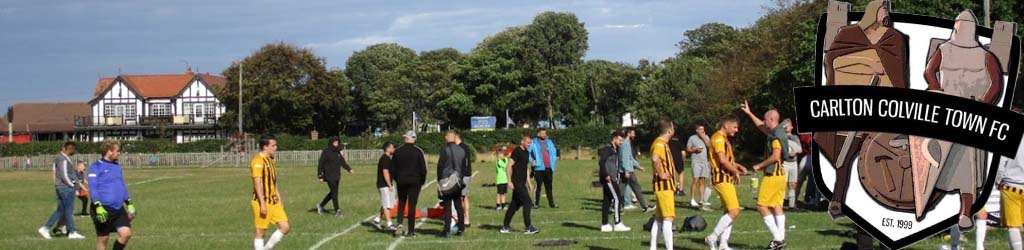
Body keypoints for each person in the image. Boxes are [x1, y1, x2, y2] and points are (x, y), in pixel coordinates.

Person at [705, 117, 749, 250]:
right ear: (726, 125)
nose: (737, 130)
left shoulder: (724, 139)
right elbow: (722, 160)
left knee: (729, 211)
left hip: (725, 177)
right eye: (734, 127)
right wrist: (735, 171)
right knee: (735, 211)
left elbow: (726, 160)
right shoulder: (718, 138)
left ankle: (723, 244)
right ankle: (712, 237)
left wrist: (737, 165)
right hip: (721, 178)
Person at [88, 141, 136, 250]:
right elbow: (93, 187)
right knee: (103, 239)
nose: (119, 153)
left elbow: (122, 185)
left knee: (126, 233)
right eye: (117, 151)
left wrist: (129, 203)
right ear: (109, 151)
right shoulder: (96, 167)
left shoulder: (117, 166)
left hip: (118, 208)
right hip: (102, 208)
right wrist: (98, 206)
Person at [37, 141, 86, 240]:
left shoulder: (64, 158)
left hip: (62, 187)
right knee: (68, 210)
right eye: (71, 148)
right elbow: (64, 175)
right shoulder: (62, 159)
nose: (72, 150)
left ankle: (46, 228)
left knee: (61, 210)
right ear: (64, 148)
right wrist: (72, 185)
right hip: (65, 188)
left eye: (73, 148)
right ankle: (71, 232)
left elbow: (70, 174)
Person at [251, 135, 289, 250]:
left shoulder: (272, 160)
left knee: (285, 227)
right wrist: (262, 203)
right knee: (261, 232)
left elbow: (273, 181)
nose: (275, 148)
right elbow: (257, 184)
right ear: (265, 147)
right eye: (273, 145)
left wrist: (279, 198)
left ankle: (266, 248)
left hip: (274, 201)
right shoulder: (257, 161)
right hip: (262, 201)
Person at [500, 134, 539, 235]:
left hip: (522, 182)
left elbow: (525, 168)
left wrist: (529, 183)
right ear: (522, 142)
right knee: (527, 202)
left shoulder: (526, 152)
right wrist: (509, 181)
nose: (529, 144)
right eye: (528, 142)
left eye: (530, 143)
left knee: (514, 205)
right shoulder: (517, 151)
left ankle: (505, 227)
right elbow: (508, 166)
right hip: (516, 182)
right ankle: (528, 227)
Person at [649, 120, 679, 250]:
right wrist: (661, 173)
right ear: (669, 131)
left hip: (663, 186)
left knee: (659, 219)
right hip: (664, 185)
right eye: (673, 128)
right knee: (668, 218)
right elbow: (655, 158)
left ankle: (653, 247)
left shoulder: (661, 143)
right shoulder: (660, 143)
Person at [393, 131, 427, 238]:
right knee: (412, 206)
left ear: (406, 138)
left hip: (401, 180)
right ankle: (411, 230)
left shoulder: (397, 151)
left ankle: (399, 223)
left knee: (401, 203)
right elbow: (423, 169)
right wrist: (422, 181)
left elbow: (392, 168)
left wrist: (397, 179)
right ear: (414, 139)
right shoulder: (418, 151)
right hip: (414, 181)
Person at [437, 130, 467, 238]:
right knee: (459, 205)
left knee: (448, 206)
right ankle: (461, 228)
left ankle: (447, 230)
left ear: (447, 137)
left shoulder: (444, 148)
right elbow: (464, 166)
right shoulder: (461, 150)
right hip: (458, 179)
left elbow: (441, 165)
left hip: (447, 179)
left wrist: (439, 180)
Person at [600, 129, 631, 232]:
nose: (621, 143)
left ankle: (604, 225)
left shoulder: (614, 149)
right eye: (620, 140)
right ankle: (617, 223)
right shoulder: (608, 149)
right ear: (615, 139)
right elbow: (602, 162)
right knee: (617, 199)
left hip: (613, 177)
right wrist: (606, 174)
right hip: (608, 178)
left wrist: (617, 175)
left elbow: (614, 164)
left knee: (607, 201)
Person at [316, 136, 353, 217]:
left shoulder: (338, 152)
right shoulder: (326, 152)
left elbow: (342, 162)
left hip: (337, 175)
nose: (336, 144)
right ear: (331, 143)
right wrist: (320, 176)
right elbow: (320, 164)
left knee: (333, 193)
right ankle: (337, 211)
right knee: (334, 193)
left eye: (337, 142)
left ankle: (321, 205)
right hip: (329, 175)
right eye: (334, 142)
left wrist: (349, 169)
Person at [619, 127, 652, 212]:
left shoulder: (625, 143)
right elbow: (625, 159)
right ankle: (645, 207)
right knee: (637, 188)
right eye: (633, 133)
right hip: (628, 171)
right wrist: (626, 171)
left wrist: (638, 166)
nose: (634, 135)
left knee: (620, 191)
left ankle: (616, 208)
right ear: (629, 134)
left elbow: (630, 158)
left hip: (625, 170)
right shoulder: (626, 144)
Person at [530, 128, 558, 208]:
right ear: (538, 134)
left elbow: (554, 151)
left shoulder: (549, 142)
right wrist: (532, 160)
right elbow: (527, 152)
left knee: (549, 187)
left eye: (545, 133)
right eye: (542, 133)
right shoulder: (533, 143)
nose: (544, 135)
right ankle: (536, 204)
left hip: (549, 168)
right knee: (538, 187)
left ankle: (552, 204)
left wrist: (554, 159)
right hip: (538, 169)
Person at [688, 125, 713, 210]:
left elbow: (709, 146)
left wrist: (703, 137)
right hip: (696, 161)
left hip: (705, 161)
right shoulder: (692, 138)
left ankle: (702, 200)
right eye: (700, 129)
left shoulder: (706, 137)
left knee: (702, 180)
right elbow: (688, 149)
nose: (702, 130)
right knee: (695, 179)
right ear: (696, 130)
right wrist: (694, 150)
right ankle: (692, 199)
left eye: (703, 129)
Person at [373, 142, 397, 231]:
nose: (393, 149)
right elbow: (385, 172)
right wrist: (389, 185)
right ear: (387, 148)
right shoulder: (385, 159)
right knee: (386, 204)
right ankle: (389, 223)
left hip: (387, 184)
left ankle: (377, 219)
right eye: (392, 147)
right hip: (384, 185)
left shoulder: (388, 158)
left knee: (388, 203)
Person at [781, 120, 803, 209]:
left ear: (791, 127)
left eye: (788, 126)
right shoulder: (781, 137)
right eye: (784, 126)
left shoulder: (795, 137)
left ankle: (792, 204)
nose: (786, 127)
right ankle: (780, 204)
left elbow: (800, 149)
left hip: (793, 163)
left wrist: (795, 151)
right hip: (785, 163)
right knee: (783, 184)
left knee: (792, 184)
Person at [455, 133, 473, 227]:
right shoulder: (461, 147)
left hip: (463, 175)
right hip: (464, 174)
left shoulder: (462, 147)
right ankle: (465, 219)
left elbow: (463, 163)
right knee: (464, 196)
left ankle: (464, 219)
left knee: (461, 197)